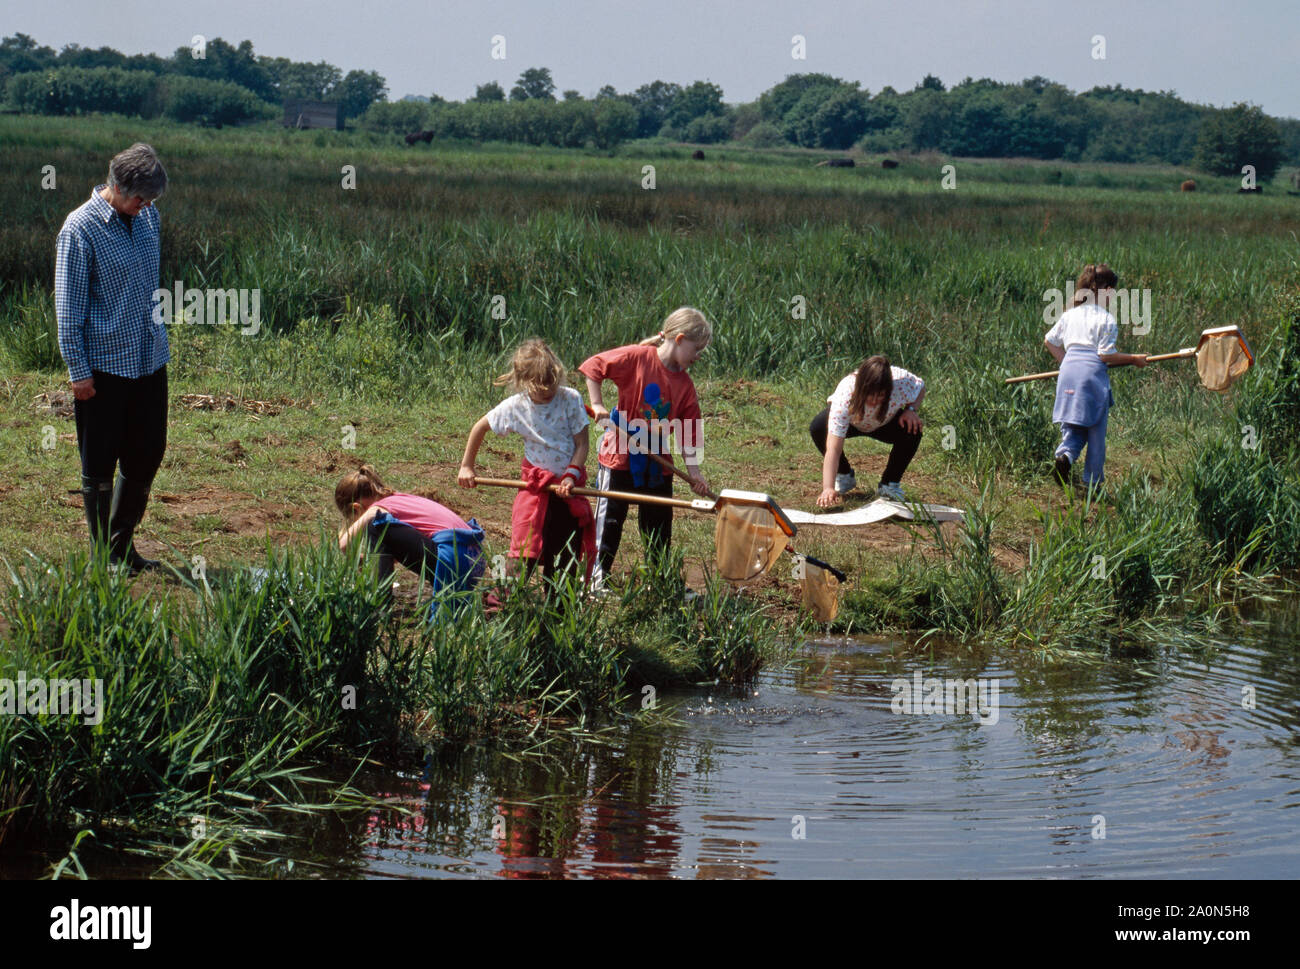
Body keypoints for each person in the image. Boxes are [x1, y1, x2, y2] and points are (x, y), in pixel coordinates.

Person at [55, 143, 170, 573]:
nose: (146, 206)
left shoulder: (148, 219)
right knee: (99, 461)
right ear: (117, 186)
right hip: (103, 368)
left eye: (152, 200)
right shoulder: (79, 229)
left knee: (147, 453)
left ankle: (124, 547)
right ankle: (102, 554)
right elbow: (68, 309)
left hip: (149, 359)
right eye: (141, 198)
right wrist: (78, 372)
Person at [579, 307, 712, 588]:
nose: (697, 356)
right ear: (679, 339)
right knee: (611, 517)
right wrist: (598, 404)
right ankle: (596, 577)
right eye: (696, 349)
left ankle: (660, 580)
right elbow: (593, 366)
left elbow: (689, 431)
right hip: (621, 453)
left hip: (656, 461)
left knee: (659, 522)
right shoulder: (637, 358)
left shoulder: (685, 385)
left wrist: (695, 472)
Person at [459, 339, 595, 582]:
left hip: (568, 489)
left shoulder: (570, 398)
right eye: (539, 391)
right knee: (523, 552)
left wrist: (571, 474)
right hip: (534, 490)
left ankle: (559, 611)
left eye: (550, 388)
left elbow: (582, 444)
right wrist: (467, 466)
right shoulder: (515, 406)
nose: (547, 394)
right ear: (523, 381)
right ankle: (506, 602)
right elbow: (480, 427)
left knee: (564, 558)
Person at [1043, 263, 1147, 488]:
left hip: (1068, 373)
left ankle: (1065, 456)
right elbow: (1105, 355)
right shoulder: (1106, 319)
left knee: (1073, 425)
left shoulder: (1070, 314)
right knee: (1095, 431)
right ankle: (1092, 481)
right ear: (1108, 291)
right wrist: (1134, 358)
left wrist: (1066, 363)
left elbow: (1049, 341)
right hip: (1091, 376)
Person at [336, 466, 485, 621]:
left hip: (454, 560)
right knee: (380, 528)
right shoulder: (402, 500)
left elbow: (344, 545)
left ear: (357, 508)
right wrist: (370, 562)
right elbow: (396, 550)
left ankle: (378, 607)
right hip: (472, 561)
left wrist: (354, 557)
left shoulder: (377, 509)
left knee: (375, 526)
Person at [811, 355, 925, 507]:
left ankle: (889, 484)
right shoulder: (845, 395)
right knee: (818, 427)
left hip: (885, 422)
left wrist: (911, 409)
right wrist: (828, 488)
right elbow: (833, 449)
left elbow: (920, 387)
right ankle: (843, 474)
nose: (874, 400)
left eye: (881, 396)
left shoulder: (902, 382)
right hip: (853, 421)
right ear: (861, 388)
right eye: (870, 395)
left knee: (913, 429)